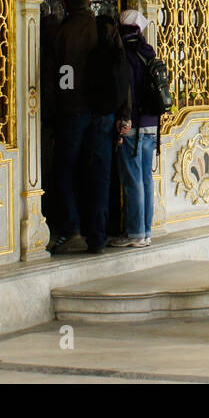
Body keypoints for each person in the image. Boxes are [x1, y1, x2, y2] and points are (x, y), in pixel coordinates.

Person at [49, 0, 102, 254]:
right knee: (91, 171)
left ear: (65, 2)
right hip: (99, 113)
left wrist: (63, 104)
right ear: (89, 1)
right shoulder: (99, 27)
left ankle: (71, 230)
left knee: (65, 170)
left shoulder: (68, 31)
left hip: (74, 111)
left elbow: (65, 73)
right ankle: (95, 232)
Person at [79, 15, 132, 253]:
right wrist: (124, 119)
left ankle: (96, 237)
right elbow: (125, 92)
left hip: (98, 119)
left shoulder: (96, 57)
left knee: (96, 178)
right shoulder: (121, 58)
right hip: (114, 120)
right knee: (108, 177)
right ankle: (110, 228)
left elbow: (85, 88)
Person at [110, 10, 158, 249]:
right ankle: (147, 231)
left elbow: (125, 90)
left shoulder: (124, 54)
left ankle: (135, 232)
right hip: (151, 124)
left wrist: (124, 120)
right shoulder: (148, 52)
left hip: (133, 124)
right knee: (146, 178)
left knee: (132, 180)